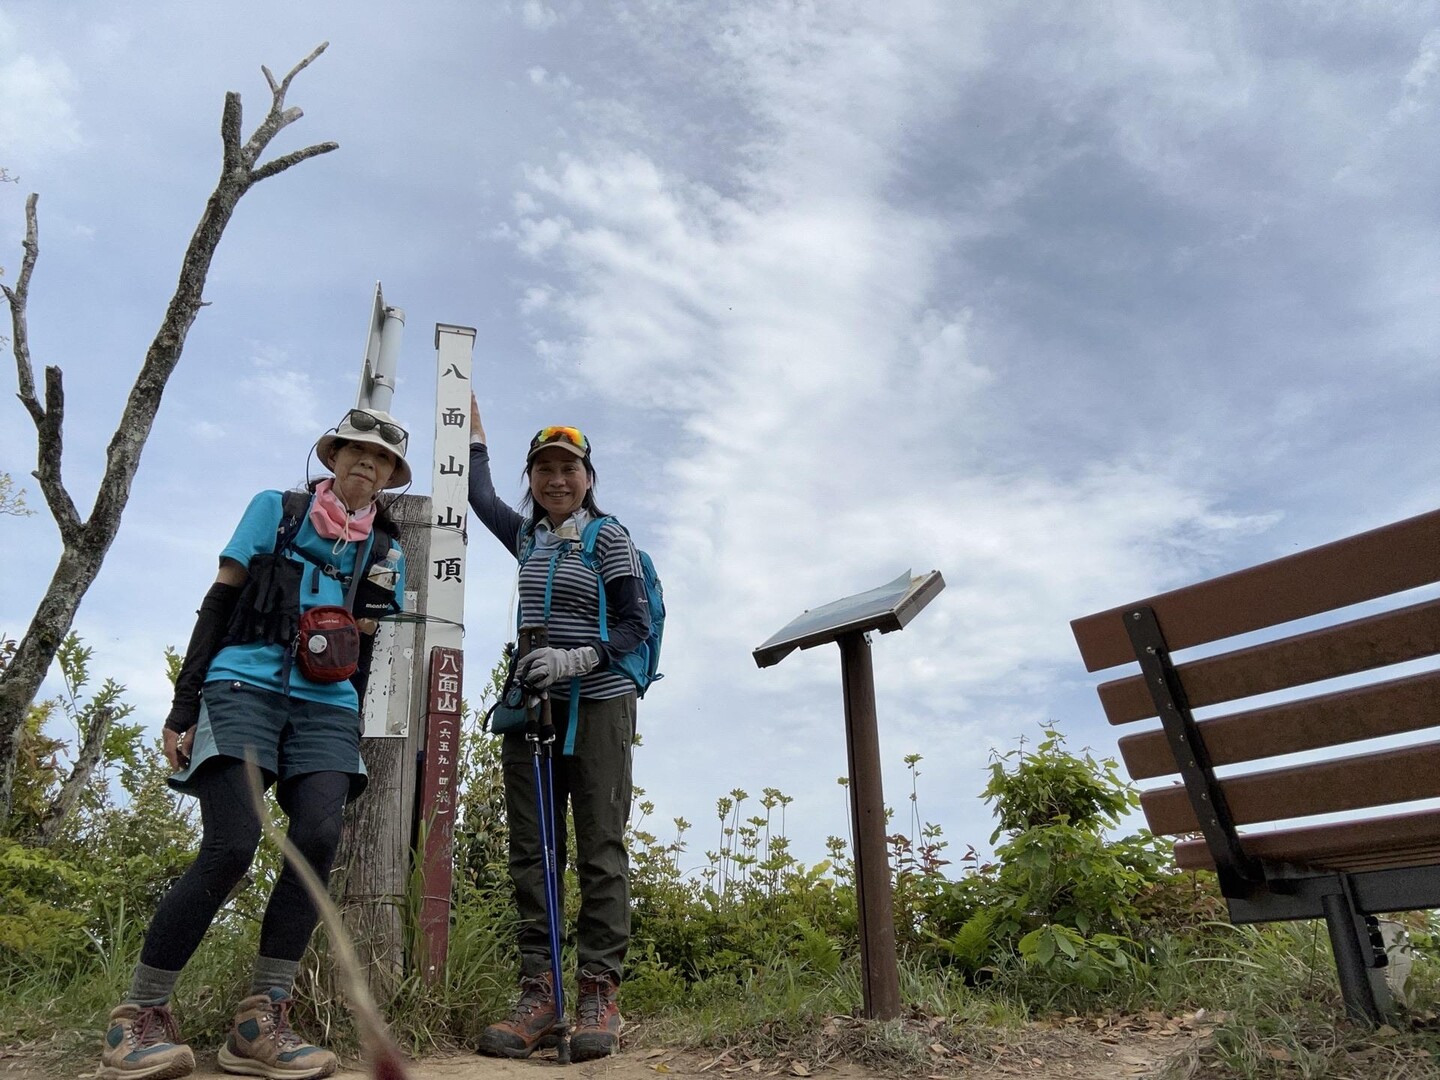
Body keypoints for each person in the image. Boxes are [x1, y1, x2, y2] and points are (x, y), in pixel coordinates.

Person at [100, 408, 411, 1080]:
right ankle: (137, 1020)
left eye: (381, 459)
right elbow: (218, 601)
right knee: (233, 844)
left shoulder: (386, 552)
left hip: (326, 705)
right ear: (332, 456)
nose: (367, 463)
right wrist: (183, 708)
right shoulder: (275, 510)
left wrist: (346, 724)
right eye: (356, 450)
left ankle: (259, 1022)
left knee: (318, 840)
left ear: (390, 476)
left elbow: (365, 644)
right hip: (242, 687)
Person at [467, 395, 650, 1062]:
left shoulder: (610, 539)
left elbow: (636, 626)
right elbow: (476, 491)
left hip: (597, 705)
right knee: (534, 850)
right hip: (533, 709)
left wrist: (579, 656)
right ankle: (540, 997)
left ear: (588, 477)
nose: (555, 480)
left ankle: (600, 990)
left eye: (568, 469)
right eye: (543, 469)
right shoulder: (526, 538)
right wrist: (473, 432)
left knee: (600, 847)